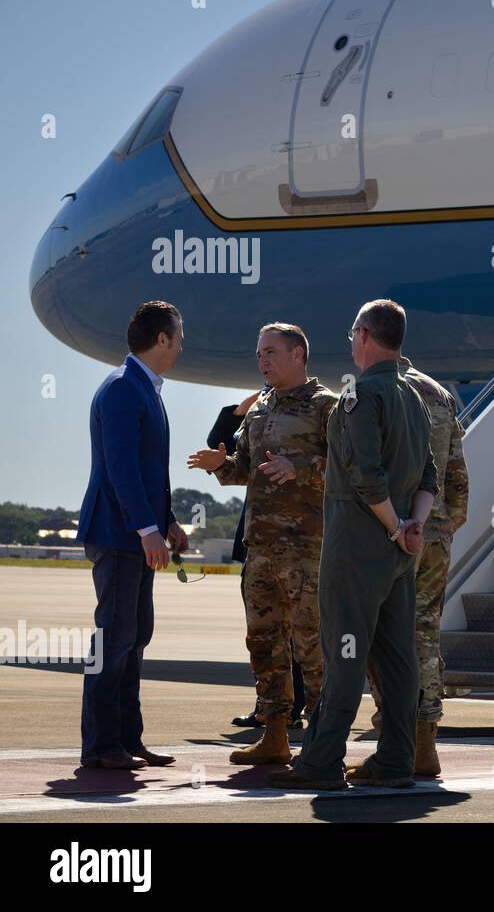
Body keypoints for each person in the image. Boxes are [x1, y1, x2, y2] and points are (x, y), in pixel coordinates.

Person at [269, 299, 439, 790]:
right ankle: (395, 760)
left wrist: (392, 526)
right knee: (397, 658)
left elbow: (367, 478)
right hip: (399, 553)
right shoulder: (413, 397)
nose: (350, 341)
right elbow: (429, 474)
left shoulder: (359, 397)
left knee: (344, 652)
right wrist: (413, 527)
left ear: (364, 335)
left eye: (352, 333)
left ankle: (322, 761)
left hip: (358, 549)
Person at [188, 325, 335, 765]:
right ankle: (274, 734)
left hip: (307, 550)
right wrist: (222, 465)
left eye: (270, 353)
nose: (262, 361)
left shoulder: (326, 406)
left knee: (312, 647)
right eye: (258, 354)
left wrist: (301, 467)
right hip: (261, 550)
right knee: (264, 644)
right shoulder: (259, 409)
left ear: (297, 354)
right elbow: (246, 469)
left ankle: (323, 742)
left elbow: (350, 470)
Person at [77, 301, 187, 770]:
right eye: (179, 336)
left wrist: (168, 522)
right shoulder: (125, 388)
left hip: (136, 533)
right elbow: (121, 468)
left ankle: (126, 739)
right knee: (115, 638)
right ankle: (102, 746)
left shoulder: (144, 387)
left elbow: (146, 469)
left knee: (134, 636)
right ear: (161, 339)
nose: (182, 344)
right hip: (119, 534)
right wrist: (146, 528)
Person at [367, 357, 468, 777]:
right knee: (424, 632)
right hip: (434, 532)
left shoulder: (378, 392)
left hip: (391, 531)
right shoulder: (441, 394)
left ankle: (395, 740)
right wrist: (445, 525)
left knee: (381, 636)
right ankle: (426, 742)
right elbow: (458, 474)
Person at [207, 391, 310, 731]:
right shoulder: (260, 415)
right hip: (261, 536)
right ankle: (272, 708)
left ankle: (298, 708)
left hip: (300, 540)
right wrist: (247, 405)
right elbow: (218, 444)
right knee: (267, 632)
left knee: (298, 632)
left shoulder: (314, 412)